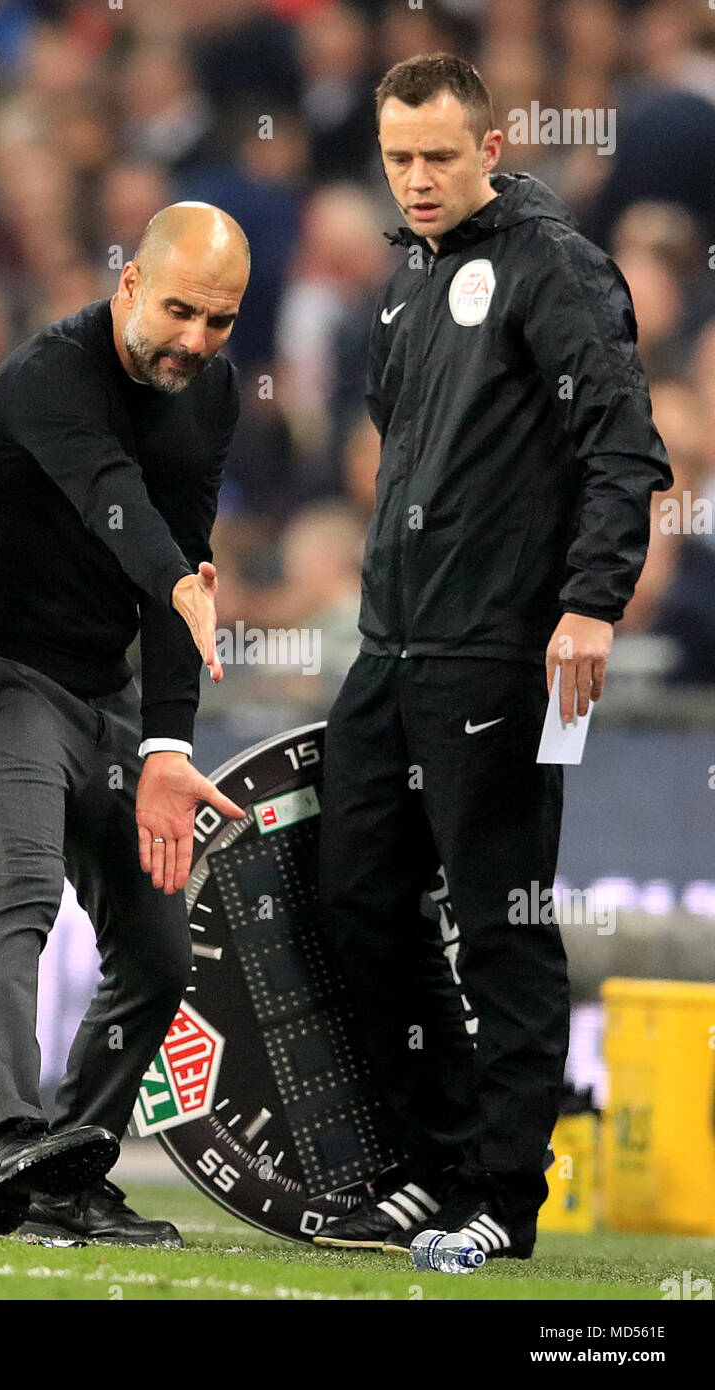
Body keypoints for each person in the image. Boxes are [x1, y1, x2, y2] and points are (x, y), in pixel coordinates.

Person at [314, 55, 670, 1260]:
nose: (414, 180)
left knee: (499, 922)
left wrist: (587, 605)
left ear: (491, 143)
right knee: (354, 896)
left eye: (435, 156)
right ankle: (436, 1156)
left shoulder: (553, 266)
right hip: (391, 649)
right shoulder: (405, 279)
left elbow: (626, 450)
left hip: (500, 656)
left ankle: (503, 1200)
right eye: (396, 158)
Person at [0, 202, 250, 1245]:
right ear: (127, 288)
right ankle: (5, 1141)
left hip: (101, 696)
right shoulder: (47, 375)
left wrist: (166, 747)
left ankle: (64, 1171)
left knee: (157, 947)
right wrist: (179, 584)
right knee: (18, 886)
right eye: (181, 311)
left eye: (221, 321)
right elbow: (121, 509)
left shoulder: (213, 393)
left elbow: (181, 562)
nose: (196, 341)